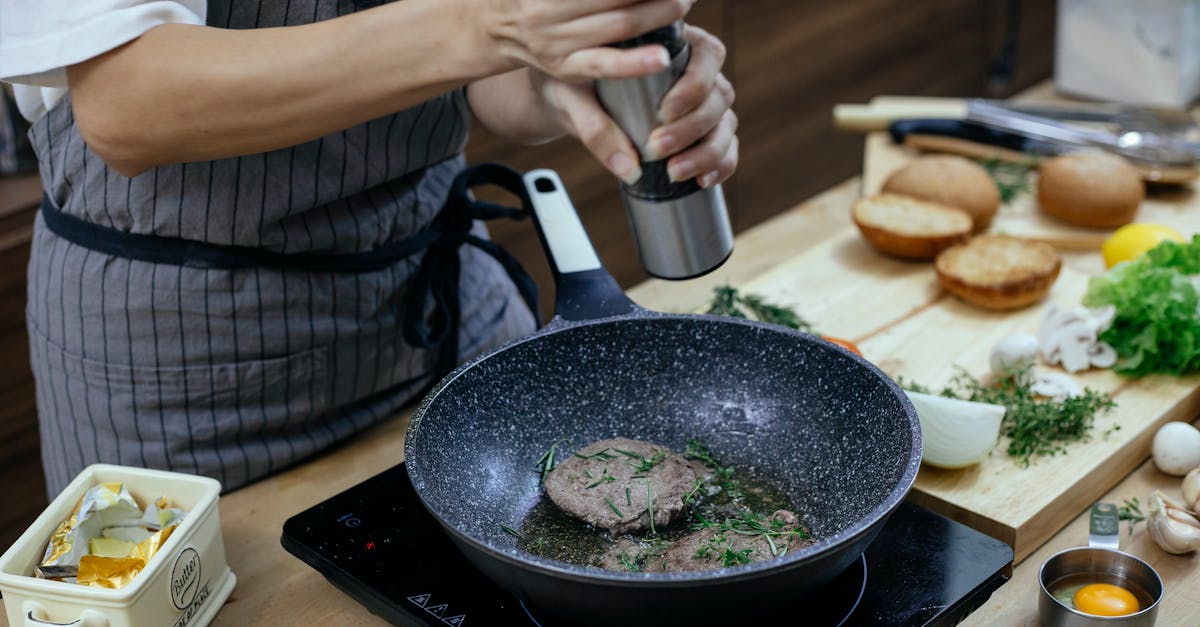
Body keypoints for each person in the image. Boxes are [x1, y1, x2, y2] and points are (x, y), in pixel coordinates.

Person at [0, 0, 738, 495]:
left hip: (447, 304)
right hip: (189, 379)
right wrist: (485, 26)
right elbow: (129, 102)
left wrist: (563, 83)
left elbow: (483, 78)